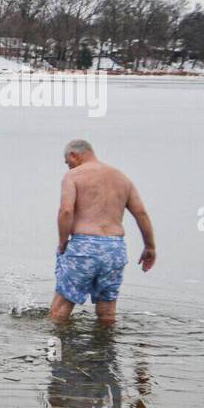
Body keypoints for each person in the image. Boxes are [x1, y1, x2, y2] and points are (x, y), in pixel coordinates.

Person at [51, 139, 155, 324]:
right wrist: (150, 247)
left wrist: (62, 241)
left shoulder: (74, 176)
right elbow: (141, 214)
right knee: (107, 311)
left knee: (61, 307)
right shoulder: (122, 178)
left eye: (68, 163)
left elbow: (66, 210)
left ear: (74, 155)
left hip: (84, 247)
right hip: (115, 248)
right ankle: (106, 349)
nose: (68, 167)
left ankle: (57, 348)